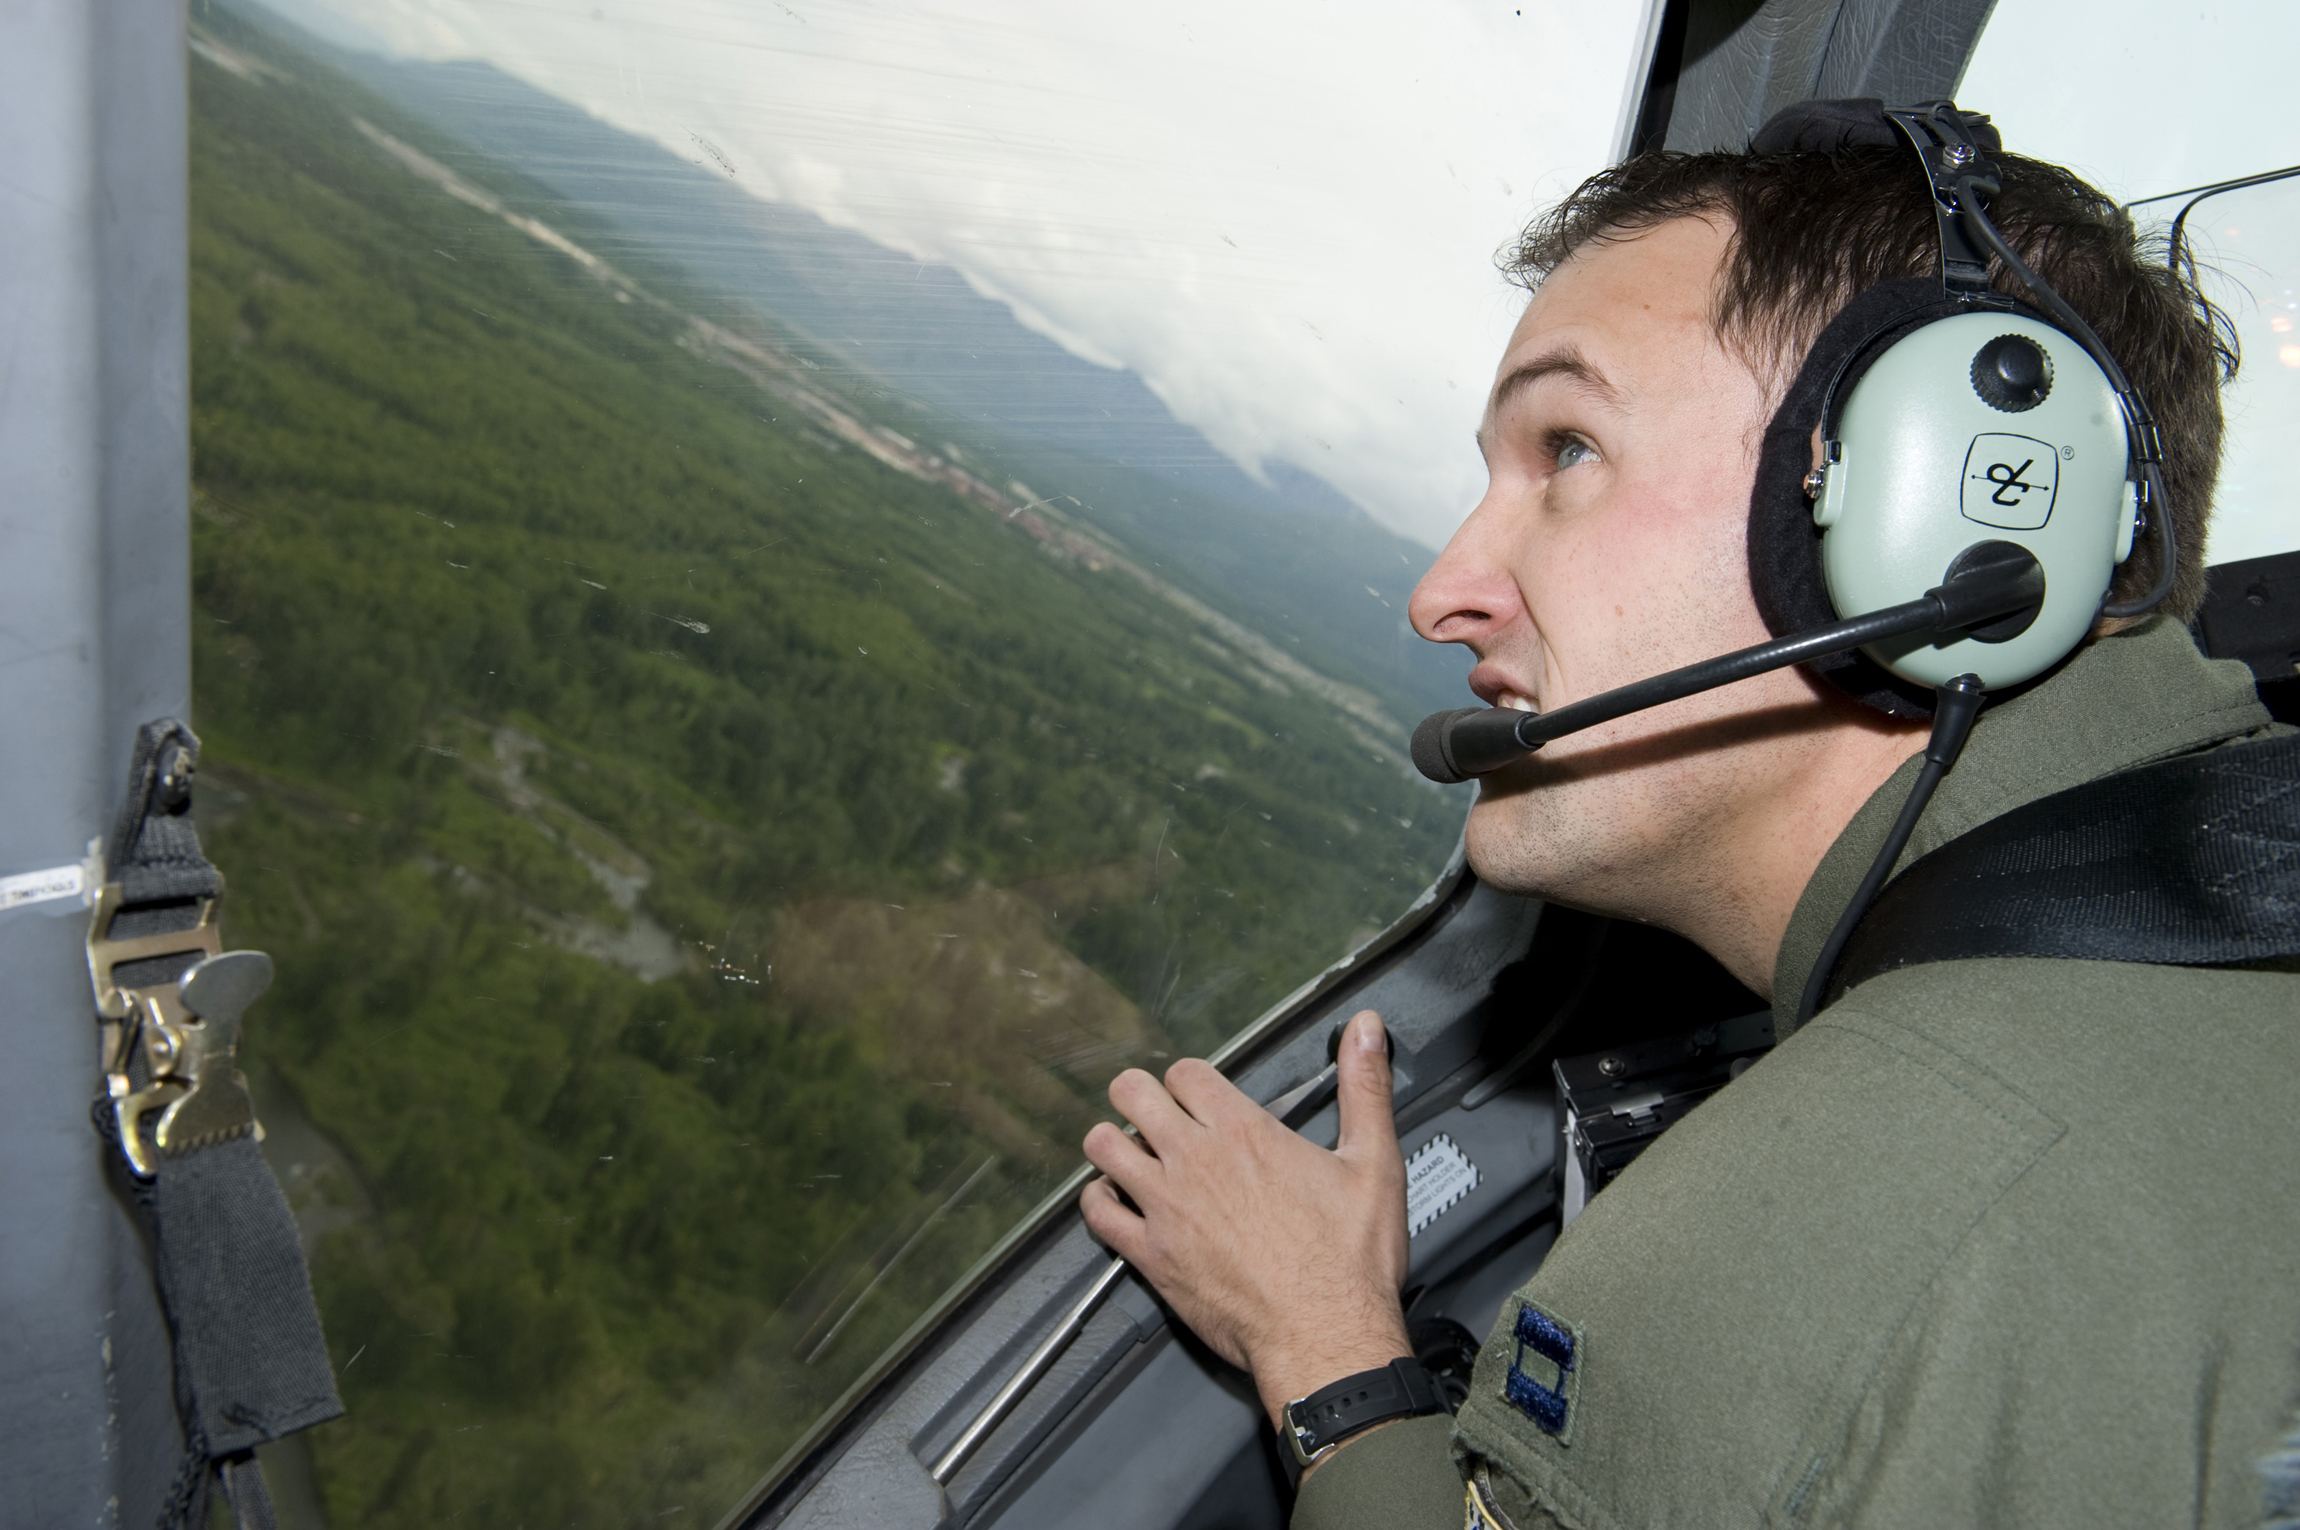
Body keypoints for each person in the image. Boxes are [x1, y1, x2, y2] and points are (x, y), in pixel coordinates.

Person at [1079, 101, 2300, 1528]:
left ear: (1932, 529)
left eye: (1569, 450)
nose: (1441, 590)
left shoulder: (1839, 1236)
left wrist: (1330, 1356)